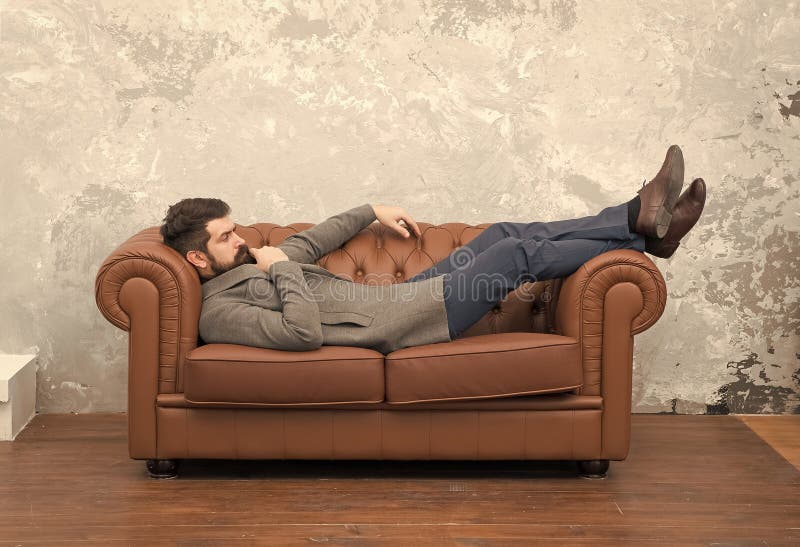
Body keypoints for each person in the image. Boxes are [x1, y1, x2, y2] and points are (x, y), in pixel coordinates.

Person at [160, 145, 706, 354]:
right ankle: (639, 226)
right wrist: (279, 270)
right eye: (226, 236)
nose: (242, 238)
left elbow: (311, 239)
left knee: (501, 233)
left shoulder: (256, 260)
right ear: (197, 260)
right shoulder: (220, 311)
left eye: (235, 229)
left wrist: (371, 209)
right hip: (412, 320)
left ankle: (642, 228)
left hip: (409, 295)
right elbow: (300, 334)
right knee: (516, 254)